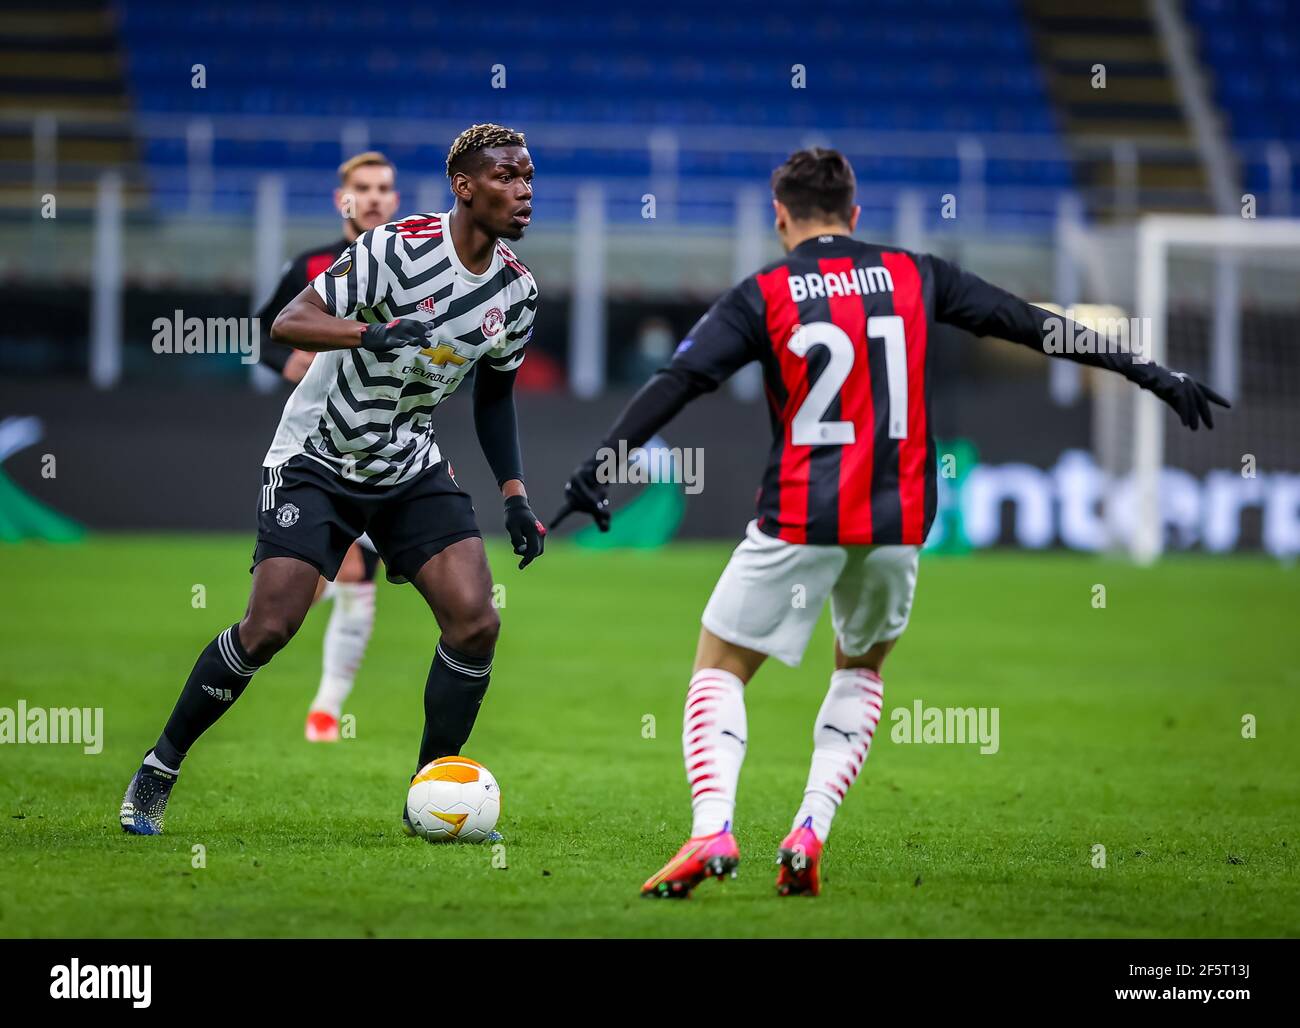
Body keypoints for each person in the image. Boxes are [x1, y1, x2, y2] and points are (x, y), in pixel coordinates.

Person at [553, 147, 1228, 898]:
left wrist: (600, 464)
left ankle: (713, 826)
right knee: (862, 668)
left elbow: (678, 380)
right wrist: (1150, 372)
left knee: (721, 667)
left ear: (781, 216)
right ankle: (809, 828)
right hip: (897, 518)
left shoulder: (765, 292)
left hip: (802, 514)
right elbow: (1034, 325)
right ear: (857, 213)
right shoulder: (917, 273)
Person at [121, 123, 545, 838]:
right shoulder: (394, 250)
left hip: (406, 461)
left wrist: (515, 497)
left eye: (529, 177)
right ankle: (158, 769)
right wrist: (371, 334)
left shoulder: (518, 292)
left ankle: (429, 797)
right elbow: (291, 322)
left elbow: (495, 397)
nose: (524, 191)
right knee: (270, 628)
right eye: (506, 177)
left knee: (476, 621)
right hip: (317, 456)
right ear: (465, 189)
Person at [254, 150, 401, 742]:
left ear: (394, 199)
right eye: (361, 188)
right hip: (317, 447)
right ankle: (273, 642)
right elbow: (267, 329)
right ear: (343, 198)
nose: (372, 197)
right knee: (316, 585)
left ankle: (326, 709)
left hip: (387, 447)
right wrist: (286, 358)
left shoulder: (408, 261)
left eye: (383, 188)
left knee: (358, 577)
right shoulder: (312, 265)